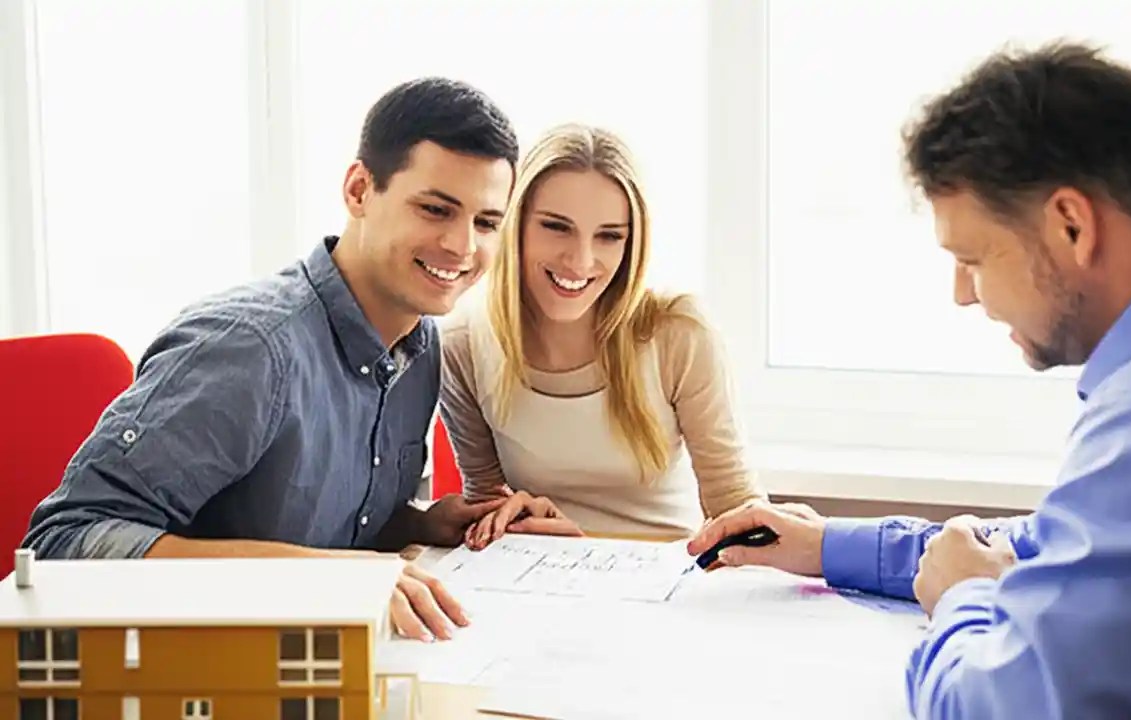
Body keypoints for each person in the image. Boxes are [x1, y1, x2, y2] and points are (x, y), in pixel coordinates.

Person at [688, 42, 1131, 719]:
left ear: (1070, 225)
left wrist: (964, 602)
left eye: (971, 257)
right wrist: (827, 545)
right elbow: (1065, 543)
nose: (962, 295)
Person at [23, 77, 519, 643]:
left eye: (486, 223)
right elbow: (63, 544)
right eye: (435, 209)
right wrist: (326, 579)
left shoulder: (419, 345)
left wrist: (423, 523)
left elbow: (323, 525)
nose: (462, 247)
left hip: (315, 664)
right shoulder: (249, 350)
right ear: (359, 190)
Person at [437, 123, 765, 547]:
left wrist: (583, 542)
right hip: (536, 581)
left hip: (668, 578)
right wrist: (527, 536)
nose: (581, 260)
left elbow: (738, 512)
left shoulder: (678, 334)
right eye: (557, 227)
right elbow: (487, 515)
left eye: (609, 236)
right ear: (514, 224)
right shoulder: (461, 344)